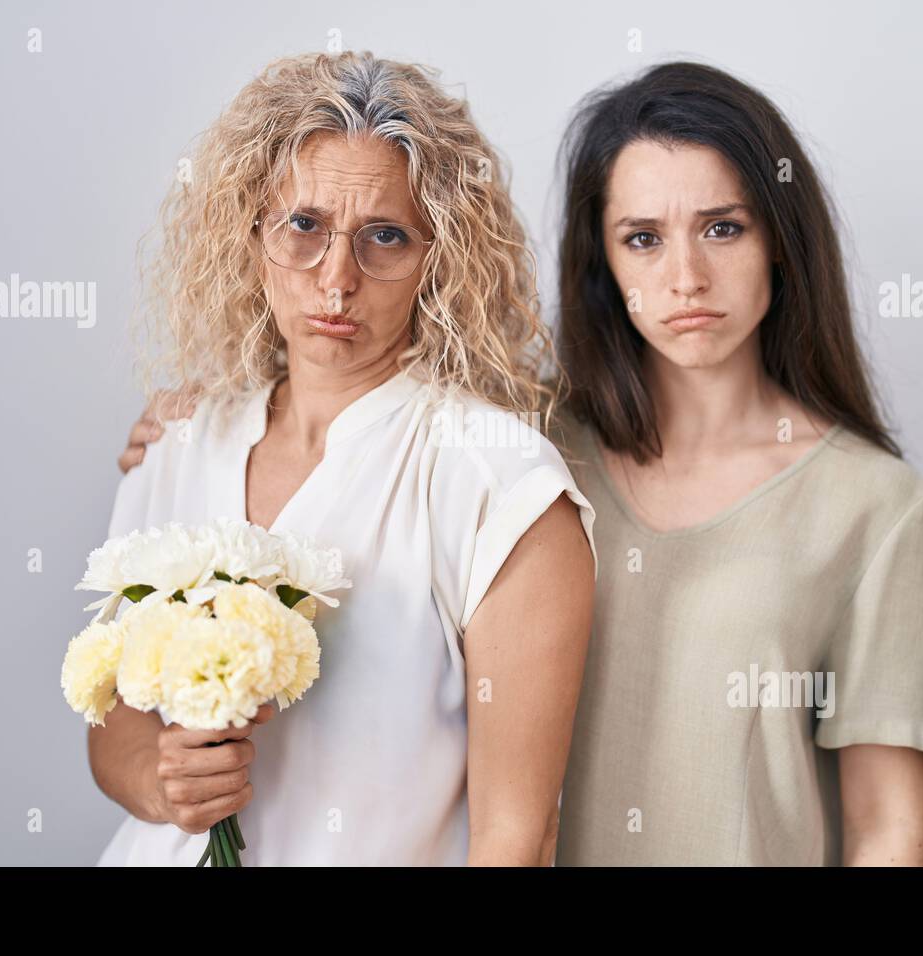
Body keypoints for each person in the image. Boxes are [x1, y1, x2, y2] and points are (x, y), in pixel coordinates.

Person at [123, 60, 923, 866]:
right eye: (642, 238)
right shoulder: (528, 450)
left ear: (783, 241)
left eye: (723, 227)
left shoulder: (877, 512)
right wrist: (188, 428)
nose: (686, 278)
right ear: (602, 261)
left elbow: (890, 833)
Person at [91, 51, 596, 867]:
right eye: (305, 226)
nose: (337, 278)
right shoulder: (177, 444)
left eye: (384, 237)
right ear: (249, 230)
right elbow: (110, 721)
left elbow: (517, 834)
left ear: (440, 257)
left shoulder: (501, 484)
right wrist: (163, 781)